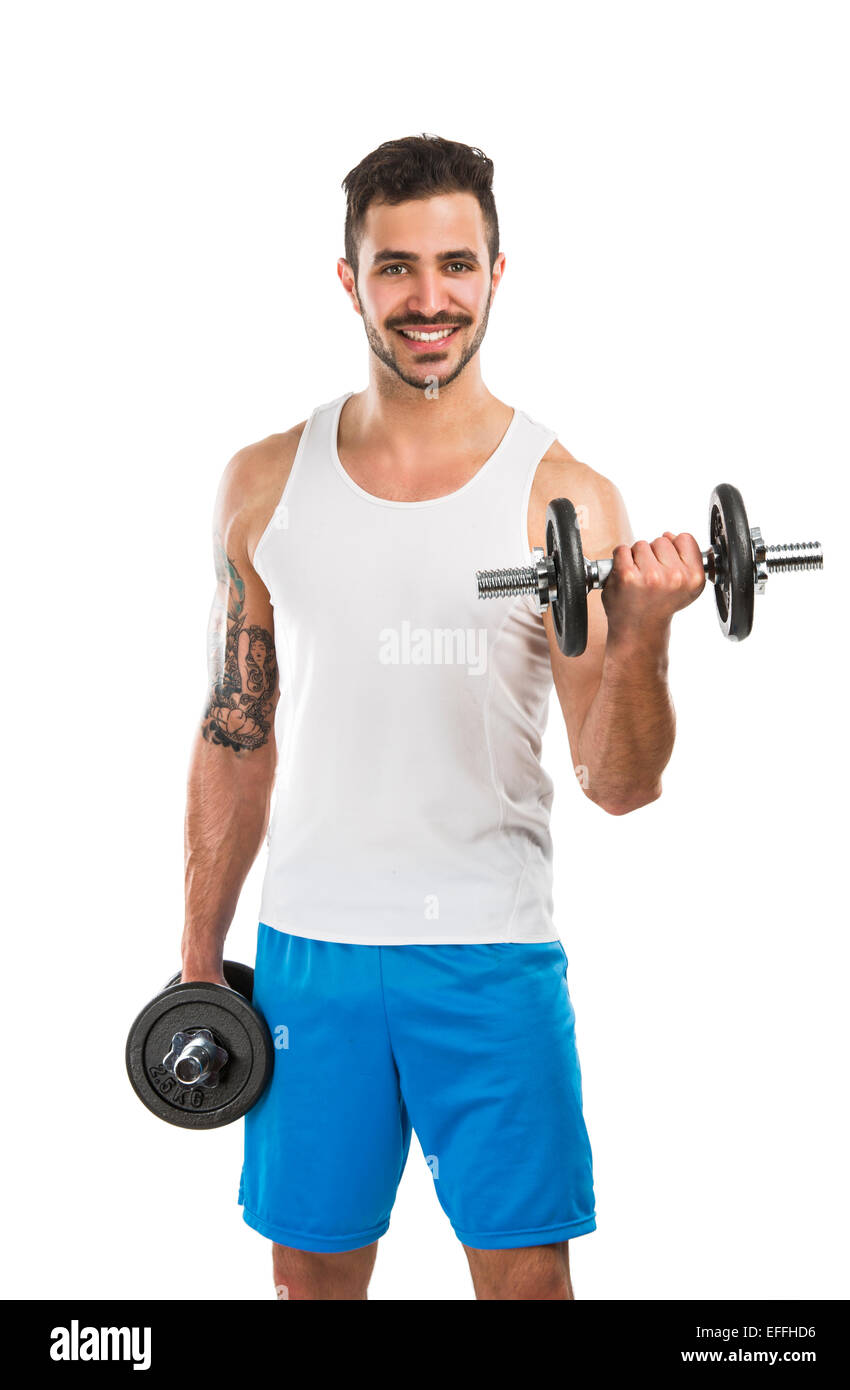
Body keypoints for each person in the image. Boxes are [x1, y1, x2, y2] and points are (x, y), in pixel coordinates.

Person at [181, 134, 705, 1301]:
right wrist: (194, 953)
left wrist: (646, 630)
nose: (429, 300)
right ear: (349, 278)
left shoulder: (562, 495)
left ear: (497, 273)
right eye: (396, 267)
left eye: (455, 265)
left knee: (522, 1282)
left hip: (488, 952)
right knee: (309, 1279)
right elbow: (235, 731)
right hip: (307, 956)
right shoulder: (263, 480)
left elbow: (617, 782)